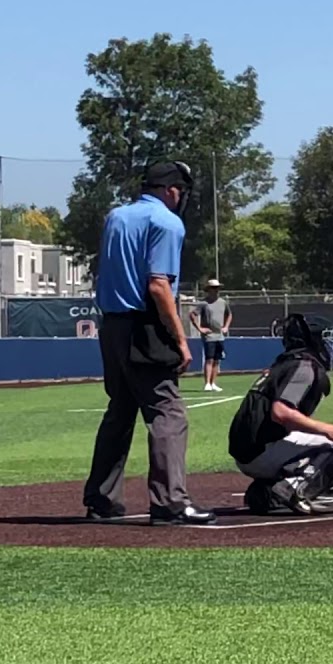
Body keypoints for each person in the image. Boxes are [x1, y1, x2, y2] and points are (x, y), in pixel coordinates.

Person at [83, 161, 215, 525]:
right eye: (181, 192)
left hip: (111, 325)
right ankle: (170, 502)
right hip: (145, 326)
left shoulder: (116, 217)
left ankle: (101, 498)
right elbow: (158, 285)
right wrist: (181, 340)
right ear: (172, 190)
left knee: (121, 411)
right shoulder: (167, 222)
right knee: (168, 412)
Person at [228, 313, 333, 515]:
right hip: (261, 451)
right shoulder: (304, 367)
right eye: (322, 337)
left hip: (251, 449)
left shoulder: (285, 362)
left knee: (328, 439)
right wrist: (327, 429)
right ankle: (293, 488)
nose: (326, 342)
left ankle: (265, 493)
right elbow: (281, 412)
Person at [189, 279, 232, 392]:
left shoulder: (223, 302)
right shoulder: (204, 303)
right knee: (209, 359)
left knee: (217, 360)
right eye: (213, 288)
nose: (216, 291)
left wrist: (226, 326)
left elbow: (229, 315)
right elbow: (192, 314)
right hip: (209, 336)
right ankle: (207, 383)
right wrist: (200, 328)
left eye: (217, 288)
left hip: (220, 335)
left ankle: (213, 383)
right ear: (208, 290)